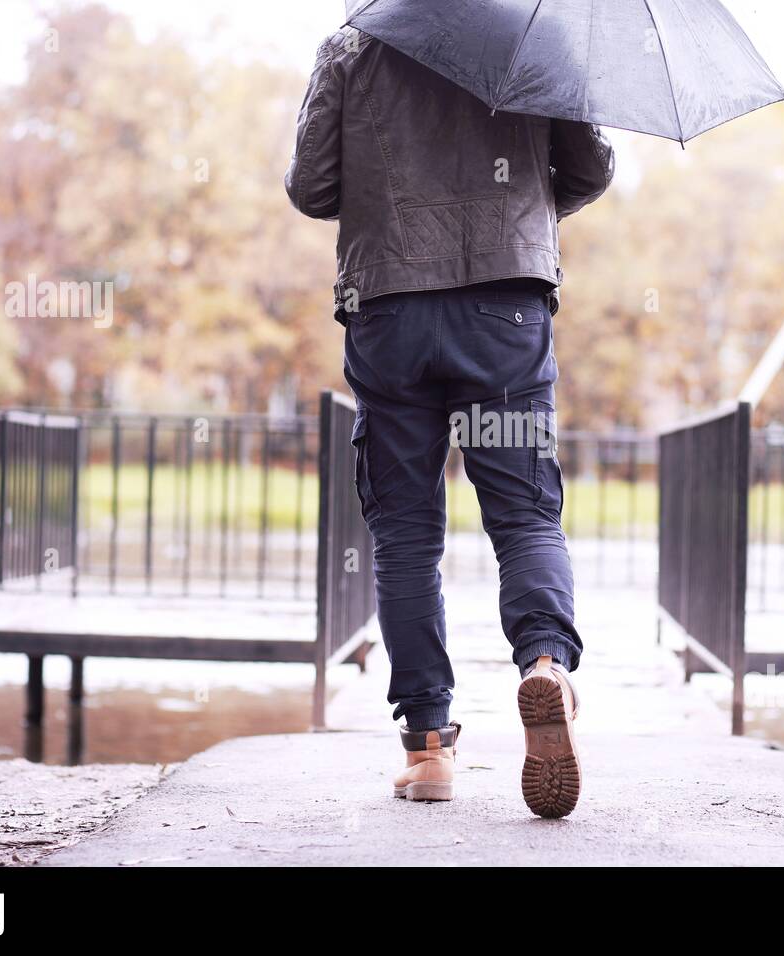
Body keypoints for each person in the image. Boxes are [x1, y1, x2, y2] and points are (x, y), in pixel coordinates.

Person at [285, 26, 613, 819]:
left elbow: (312, 187)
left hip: (390, 312)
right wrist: (521, 211)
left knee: (405, 535)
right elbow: (590, 168)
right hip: (504, 313)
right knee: (525, 517)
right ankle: (545, 666)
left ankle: (428, 748)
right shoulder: (538, 37)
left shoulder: (354, 45)